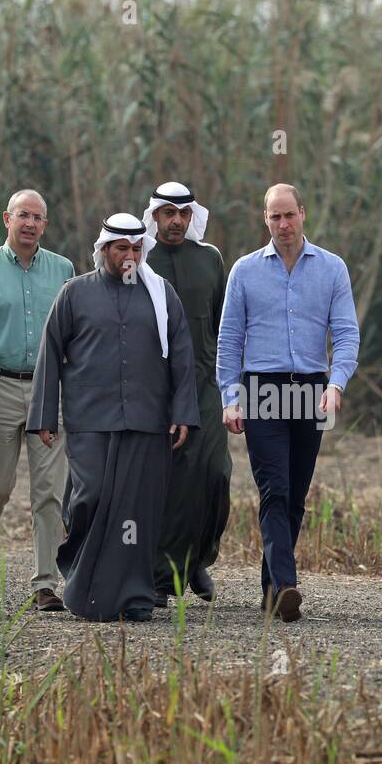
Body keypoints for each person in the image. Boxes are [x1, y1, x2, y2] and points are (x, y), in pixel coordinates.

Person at [27, 213, 199, 622]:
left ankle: (135, 597)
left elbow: (182, 355)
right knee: (90, 497)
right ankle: (84, 587)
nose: (129, 256)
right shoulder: (74, 293)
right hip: (90, 418)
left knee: (137, 511)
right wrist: (44, 415)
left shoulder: (161, 295)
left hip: (147, 418)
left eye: (137, 248)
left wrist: (183, 412)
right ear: (104, 249)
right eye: (121, 248)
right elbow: (50, 352)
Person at [216, 183, 360, 624]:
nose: (283, 224)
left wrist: (336, 384)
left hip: (311, 390)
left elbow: (347, 333)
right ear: (265, 220)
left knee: (295, 495)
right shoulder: (244, 270)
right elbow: (229, 339)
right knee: (273, 489)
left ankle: (270, 589)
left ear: (303, 213)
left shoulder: (332, 269)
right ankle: (286, 584)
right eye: (274, 217)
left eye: (289, 215)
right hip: (262, 388)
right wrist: (230, 397)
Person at [0, 189, 75, 611]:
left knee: (50, 491)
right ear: (7, 218)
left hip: (47, 388)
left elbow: (70, 334)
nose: (29, 223)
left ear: (45, 224)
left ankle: (44, 584)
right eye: (22, 215)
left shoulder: (63, 269)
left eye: (37, 217)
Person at [142, 182, 232, 605]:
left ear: (192, 216)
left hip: (206, 384)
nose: (176, 221)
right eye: (167, 213)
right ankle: (163, 574)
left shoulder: (210, 259)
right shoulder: (140, 260)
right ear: (155, 217)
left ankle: (198, 560)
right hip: (158, 389)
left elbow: (223, 326)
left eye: (183, 213)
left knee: (215, 474)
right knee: (168, 481)